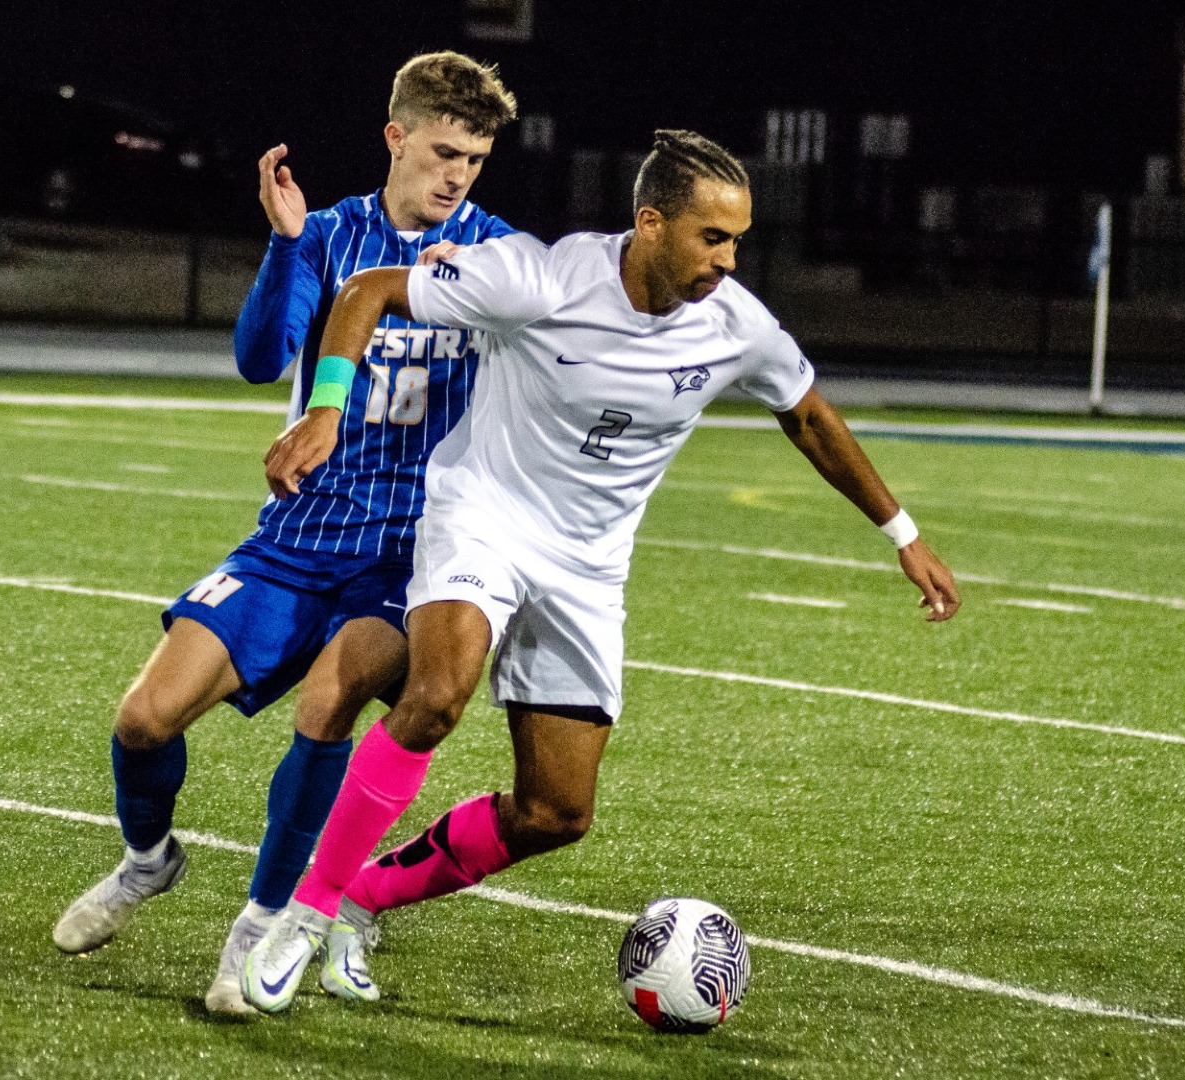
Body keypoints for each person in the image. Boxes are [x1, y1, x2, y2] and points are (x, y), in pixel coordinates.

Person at [239, 129, 962, 1013]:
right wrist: (325, 410)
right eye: (712, 237)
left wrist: (903, 533)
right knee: (435, 697)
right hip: (484, 521)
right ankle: (304, 915)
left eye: (737, 240)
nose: (728, 261)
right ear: (650, 222)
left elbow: (807, 416)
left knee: (556, 813)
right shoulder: (542, 277)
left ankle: (365, 897)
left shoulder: (737, 325)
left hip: (587, 570)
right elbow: (368, 291)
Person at [49, 51, 520, 1016]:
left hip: (413, 553)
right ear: (395, 138)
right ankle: (148, 861)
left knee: (331, 700)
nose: (456, 175)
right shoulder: (332, 234)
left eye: (473, 159)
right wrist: (284, 244)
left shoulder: (499, 255)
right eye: (441, 152)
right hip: (300, 533)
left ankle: (263, 924)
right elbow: (262, 358)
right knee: (144, 718)